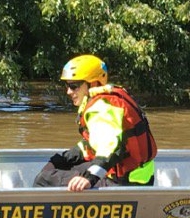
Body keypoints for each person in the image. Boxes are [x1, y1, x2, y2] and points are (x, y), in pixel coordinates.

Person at [33, 55, 157, 191]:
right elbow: (93, 143)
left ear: (92, 84)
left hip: (122, 182)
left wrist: (89, 178)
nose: (68, 91)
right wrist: (65, 158)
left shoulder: (100, 109)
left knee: (44, 179)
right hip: (134, 176)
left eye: (74, 86)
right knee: (63, 165)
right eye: (67, 85)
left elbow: (111, 147)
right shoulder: (105, 102)